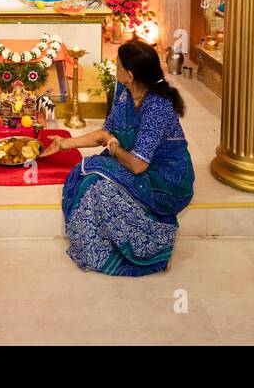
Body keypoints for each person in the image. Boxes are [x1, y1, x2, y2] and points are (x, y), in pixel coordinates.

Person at [43, 39, 195, 275]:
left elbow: (136, 165)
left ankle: (152, 248)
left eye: (118, 65)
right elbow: (106, 133)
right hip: (138, 164)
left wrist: (113, 148)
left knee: (99, 187)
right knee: (83, 173)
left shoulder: (158, 106)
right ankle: (105, 245)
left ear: (130, 75)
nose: (115, 68)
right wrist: (64, 144)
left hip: (165, 179)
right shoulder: (125, 93)